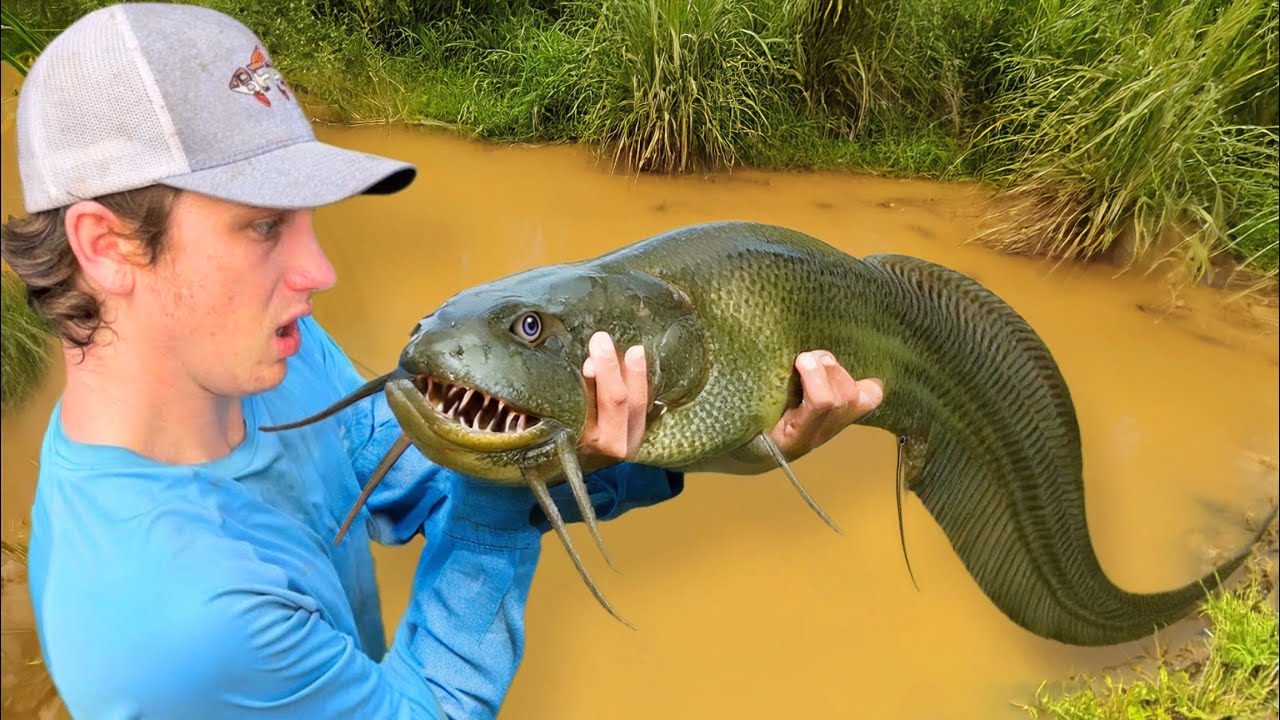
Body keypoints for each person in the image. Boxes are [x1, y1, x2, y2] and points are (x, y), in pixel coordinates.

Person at [0, 4, 885, 719]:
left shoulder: (254, 356)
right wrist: (510, 490)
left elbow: (399, 477)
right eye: (263, 226)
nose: (319, 272)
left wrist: (697, 434)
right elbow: (430, 708)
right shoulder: (176, 619)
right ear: (109, 248)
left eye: (307, 221)